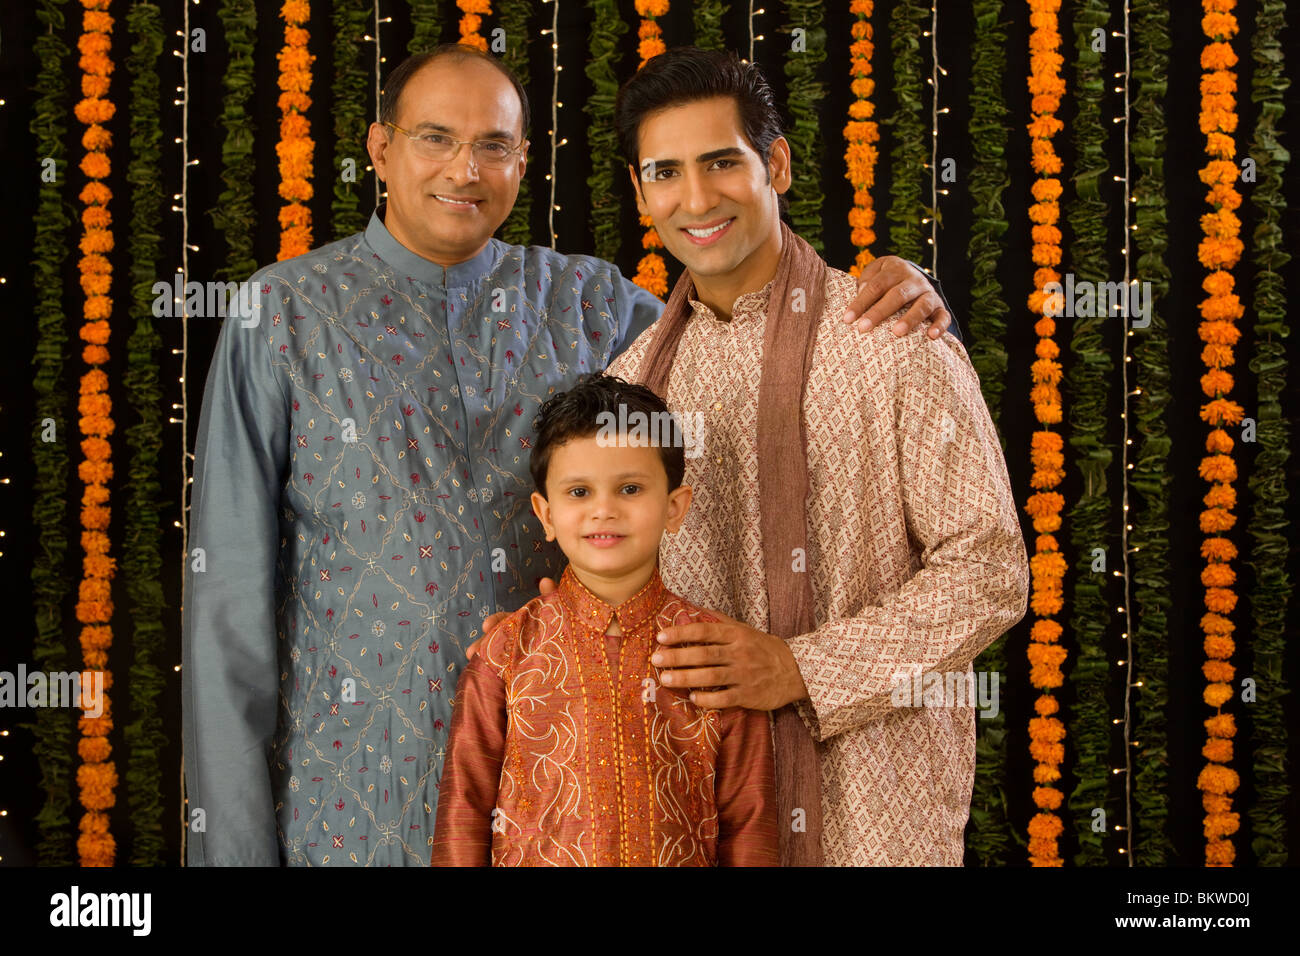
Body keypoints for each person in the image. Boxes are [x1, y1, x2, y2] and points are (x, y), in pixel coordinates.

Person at [183, 42, 960, 866]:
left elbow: (744, 345)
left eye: (494, 146)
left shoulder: (593, 308)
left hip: (569, 817)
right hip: (352, 804)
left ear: (524, 159)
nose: (464, 170)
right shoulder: (285, 314)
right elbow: (228, 609)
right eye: (434, 139)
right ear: (381, 149)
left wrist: (901, 296)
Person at [602, 48, 1030, 865]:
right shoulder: (631, 385)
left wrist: (801, 668)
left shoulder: (893, 336)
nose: (696, 199)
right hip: (691, 817)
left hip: (877, 815)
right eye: (666, 172)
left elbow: (990, 570)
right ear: (640, 191)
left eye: (722, 162)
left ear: (778, 164)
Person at [430, 374, 777, 866]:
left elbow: (749, 822)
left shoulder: (715, 653)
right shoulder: (508, 651)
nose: (603, 510)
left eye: (630, 488)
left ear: (674, 508)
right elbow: (463, 811)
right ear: (545, 514)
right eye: (578, 492)